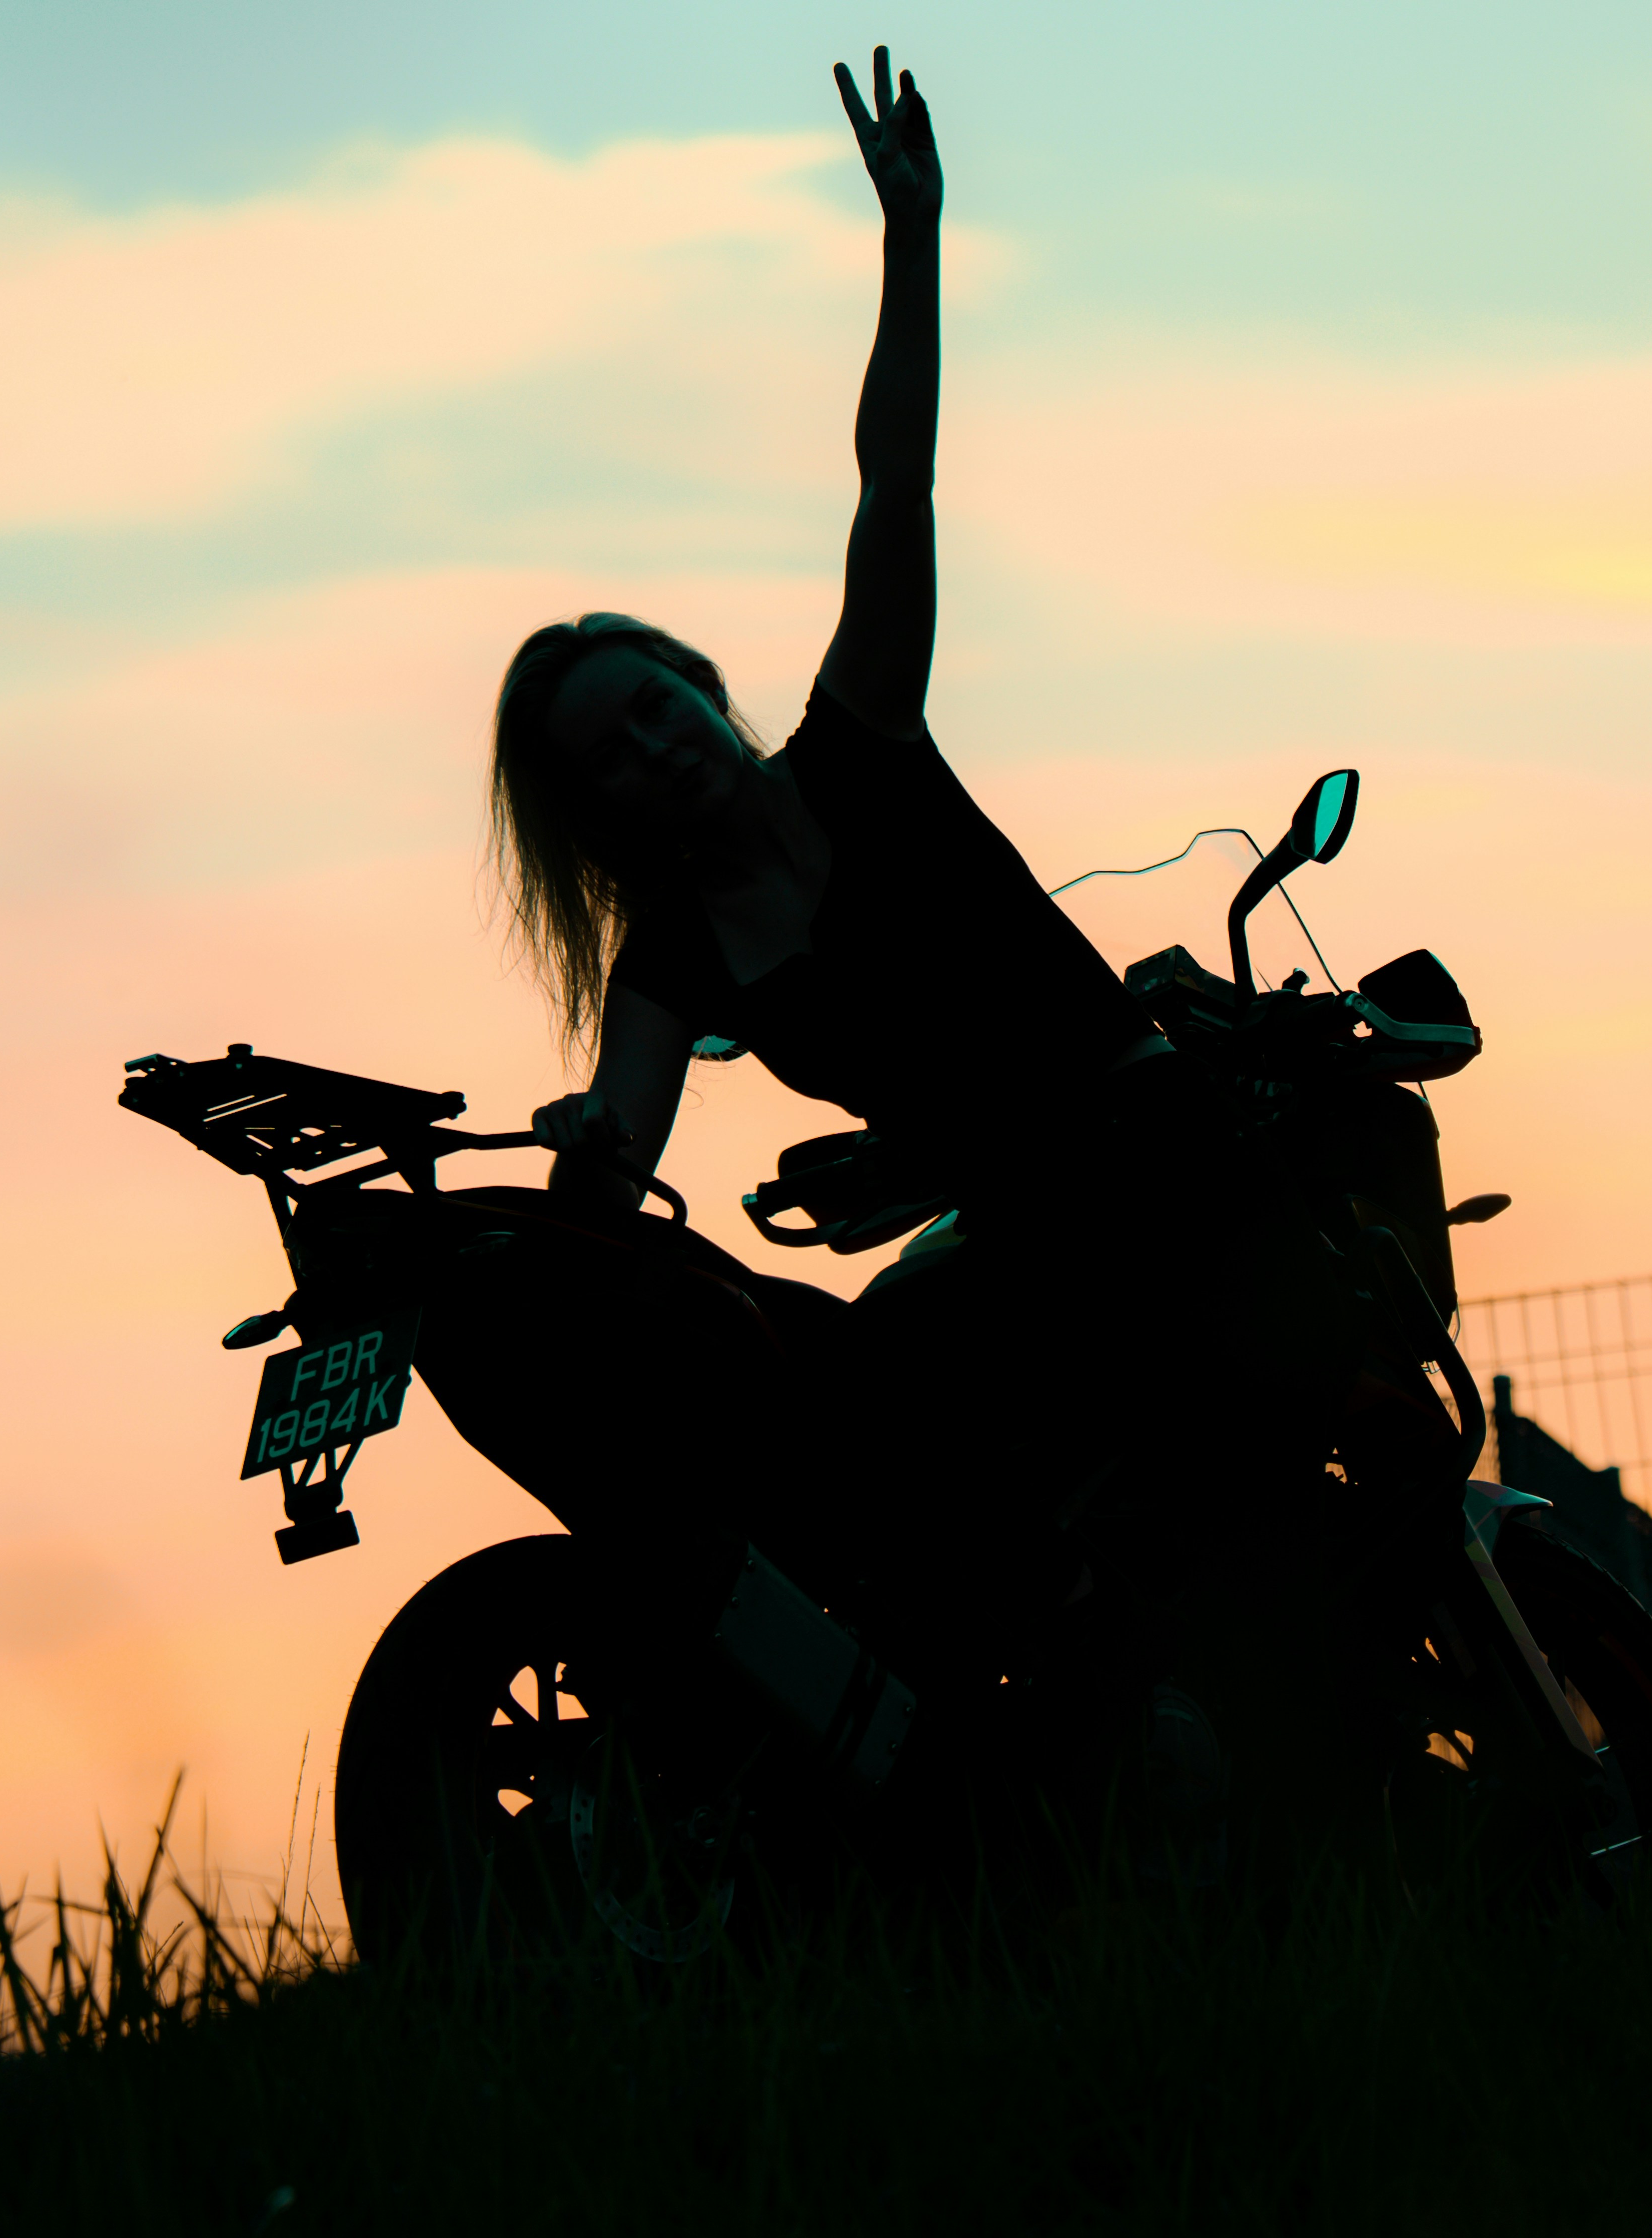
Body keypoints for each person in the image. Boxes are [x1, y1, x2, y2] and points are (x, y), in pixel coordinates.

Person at [465, 51, 1350, 1696]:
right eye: (608, 755)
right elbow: (621, 1137)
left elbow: (894, 480)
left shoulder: (860, 741)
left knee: (1146, 1477)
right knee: (861, 1435)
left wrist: (912, 240)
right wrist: (588, 1145)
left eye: (650, 704)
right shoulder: (674, 959)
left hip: (1146, 1152)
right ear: (597, 813)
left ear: (695, 684)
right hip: (1017, 1230)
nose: (650, 746)